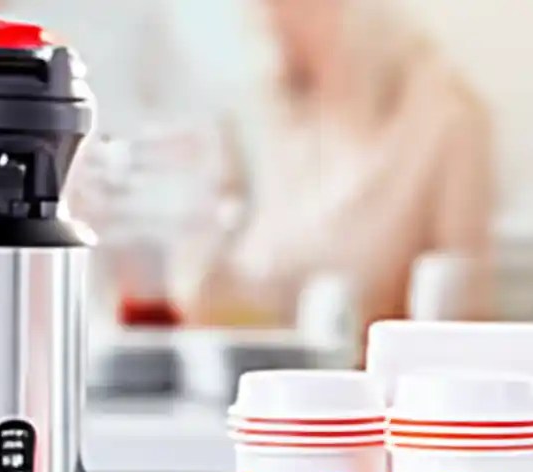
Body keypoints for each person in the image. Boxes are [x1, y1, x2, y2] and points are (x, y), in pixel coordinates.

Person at [181, 0, 496, 329]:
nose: (264, 19)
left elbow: (465, 313)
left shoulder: (447, 119)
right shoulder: (283, 114)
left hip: (369, 372)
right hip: (267, 368)